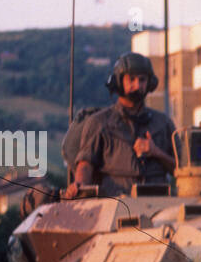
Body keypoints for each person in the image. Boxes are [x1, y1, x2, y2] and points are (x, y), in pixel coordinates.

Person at [65, 53, 177, 199]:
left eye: (142, 80)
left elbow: (183, 169)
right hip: (115, 205)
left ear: (149, 83)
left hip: (160, 205)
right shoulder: (99, 123)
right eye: (131, 79)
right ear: (118, 81)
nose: (137, 85)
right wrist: (79, 185)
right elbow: (85, 164)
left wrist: (156, 152)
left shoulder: (163, 123)